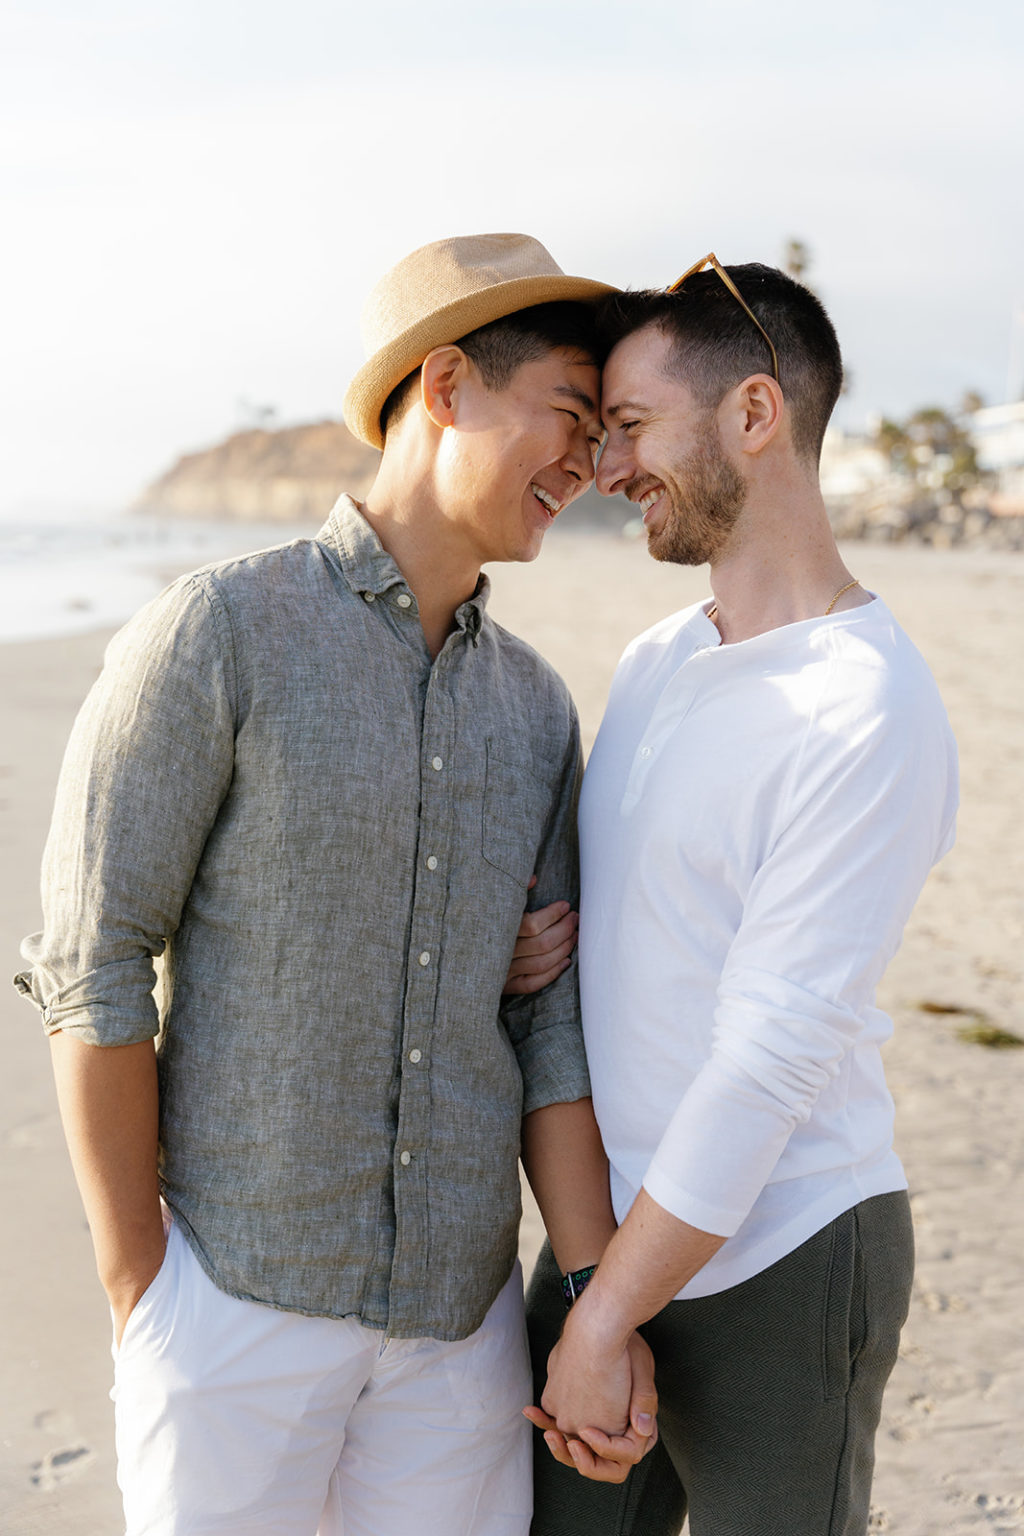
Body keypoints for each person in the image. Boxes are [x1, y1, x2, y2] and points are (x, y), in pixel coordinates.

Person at [15, 232, 656, 1536]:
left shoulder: (534, 710)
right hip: (231, 1306)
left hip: (455, 1335)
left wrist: (593, 1294)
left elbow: (545, 1026)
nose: (588, 463)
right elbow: (92, 956)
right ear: (445, 388)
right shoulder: (220, 632)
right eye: (570, 417)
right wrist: (139, 1281)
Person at [523, 257, 959, 1536]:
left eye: (631, 429)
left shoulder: (864, 708)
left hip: (784, 1257)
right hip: (611, 1235)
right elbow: (628, 939)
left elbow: (768, 1061)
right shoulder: (657, 658)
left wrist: (603, 1318)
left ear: (754, 415)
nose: (607, 472)